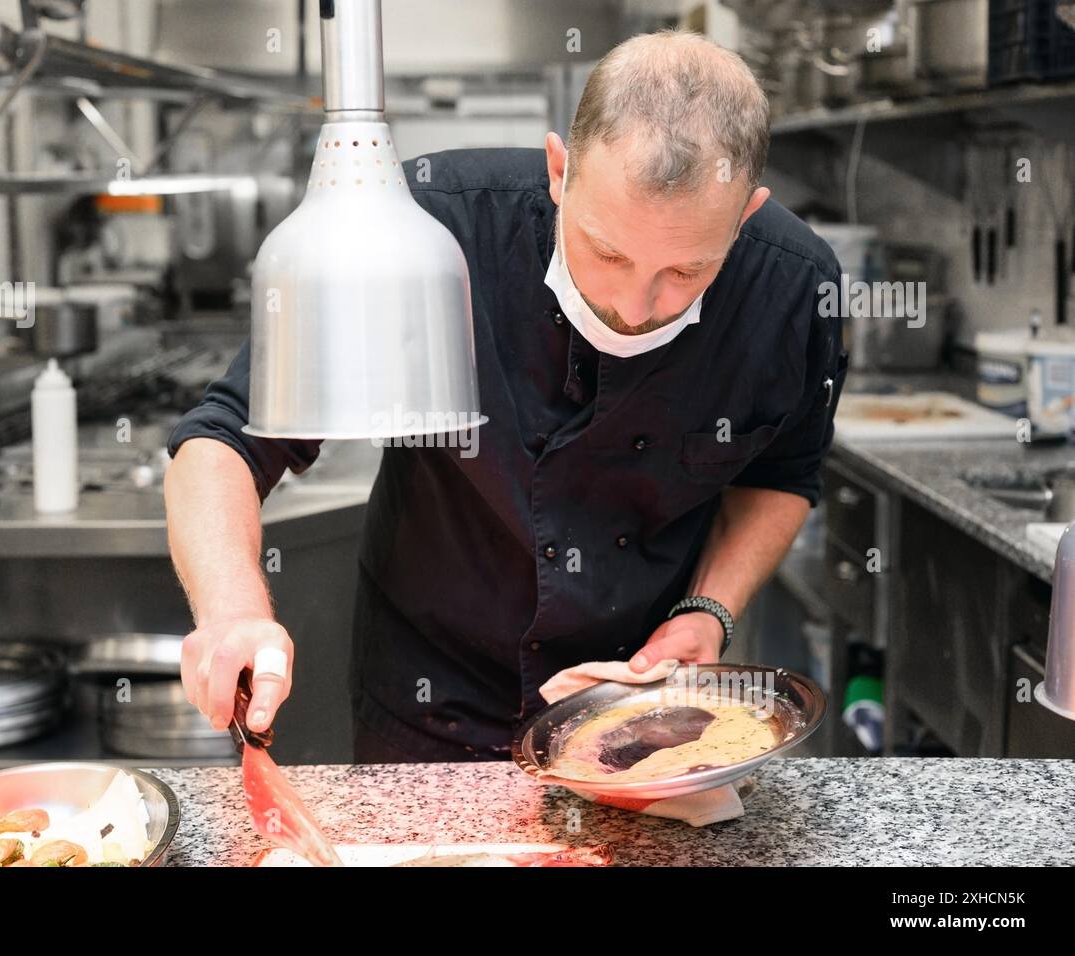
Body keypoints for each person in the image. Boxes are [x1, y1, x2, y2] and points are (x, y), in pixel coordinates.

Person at [165, 30, 847, 763]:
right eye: (608, 251)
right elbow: (223, 438)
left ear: (746, 215)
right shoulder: (425, 230)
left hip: (644, 708)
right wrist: (232, 611)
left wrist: (708, 609)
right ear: (560, 171)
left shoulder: (796, 289)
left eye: (686, 271)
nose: (637, 304)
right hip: (433, 697)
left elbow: (780, 474)